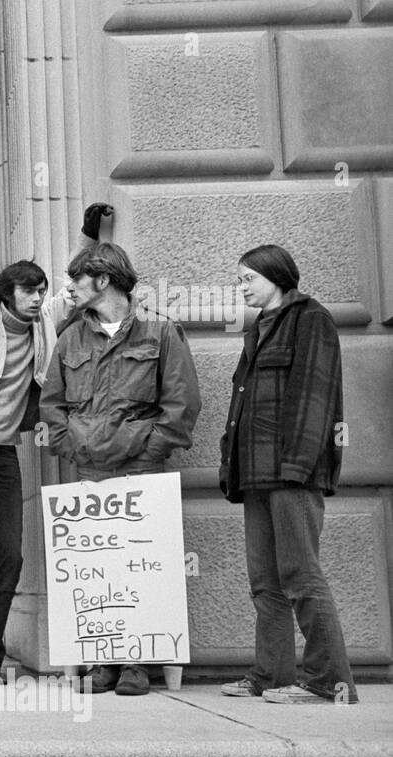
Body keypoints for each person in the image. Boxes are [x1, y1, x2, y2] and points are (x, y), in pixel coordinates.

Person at [0, 205, 107, 687]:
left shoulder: (42, 326)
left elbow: (75, 293)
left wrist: (90, 238)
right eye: (29, 291)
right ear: (6, 294)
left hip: (4, 453)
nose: (38, 298)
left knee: (9, 555)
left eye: (41, 292)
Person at [40, 241, 201, 695]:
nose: (69, 288)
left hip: (142, 468)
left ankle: (136, 665)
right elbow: (51, 402)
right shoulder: (71, 337)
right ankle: (103, 663)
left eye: (76, 279)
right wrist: (69, 445)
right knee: (98, 571)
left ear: (103, 279)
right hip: (88, 470)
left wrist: (150, 450)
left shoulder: (161, 331)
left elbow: (182, 403)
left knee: (140, 566)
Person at [218, 245, 357, 704]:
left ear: (275, 276)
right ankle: (271, 675)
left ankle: (328, 681)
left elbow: (315, 396)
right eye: (240, 280)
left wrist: (297, 466)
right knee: (265, 582)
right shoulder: (259, 328)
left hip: (292, 473)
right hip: (256, 475)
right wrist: (230, 465)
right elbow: (242, 404)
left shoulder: (310, 318)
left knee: (301, 576)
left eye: (248, 279)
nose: (242, 287)